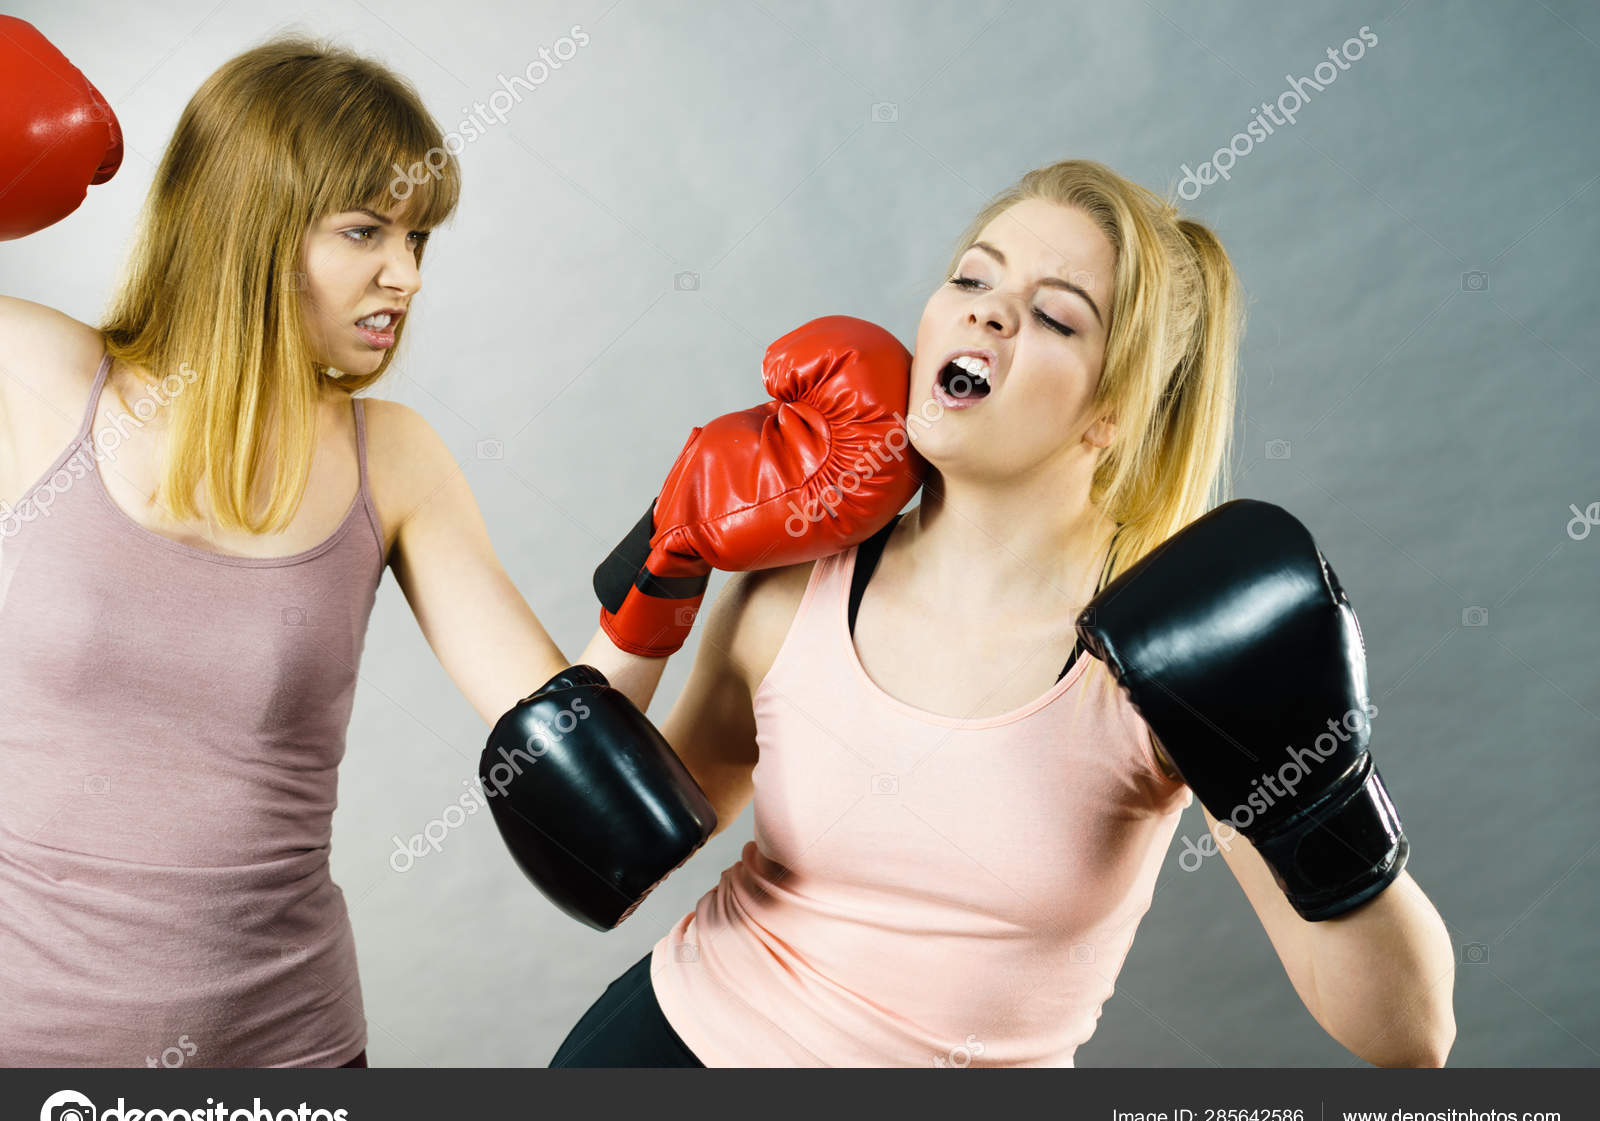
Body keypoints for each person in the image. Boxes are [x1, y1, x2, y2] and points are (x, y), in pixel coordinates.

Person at [0, 28, 917, 1068]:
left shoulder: (390, 458)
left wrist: (670, 555)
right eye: (365, 232)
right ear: (246, 221)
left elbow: (565, 752)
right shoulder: (36, 379)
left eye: (419, 239)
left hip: (288, 1051)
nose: (406, 276)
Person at [546, 159, 1458, 1068]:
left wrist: (1322, 789)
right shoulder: (801, 587)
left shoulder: (1169, 653)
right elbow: (601, 848)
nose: (987, 312)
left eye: (1057, 315)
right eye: (971, 279)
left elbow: (1408, 1035)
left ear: (1113, 412)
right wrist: (662, 560)